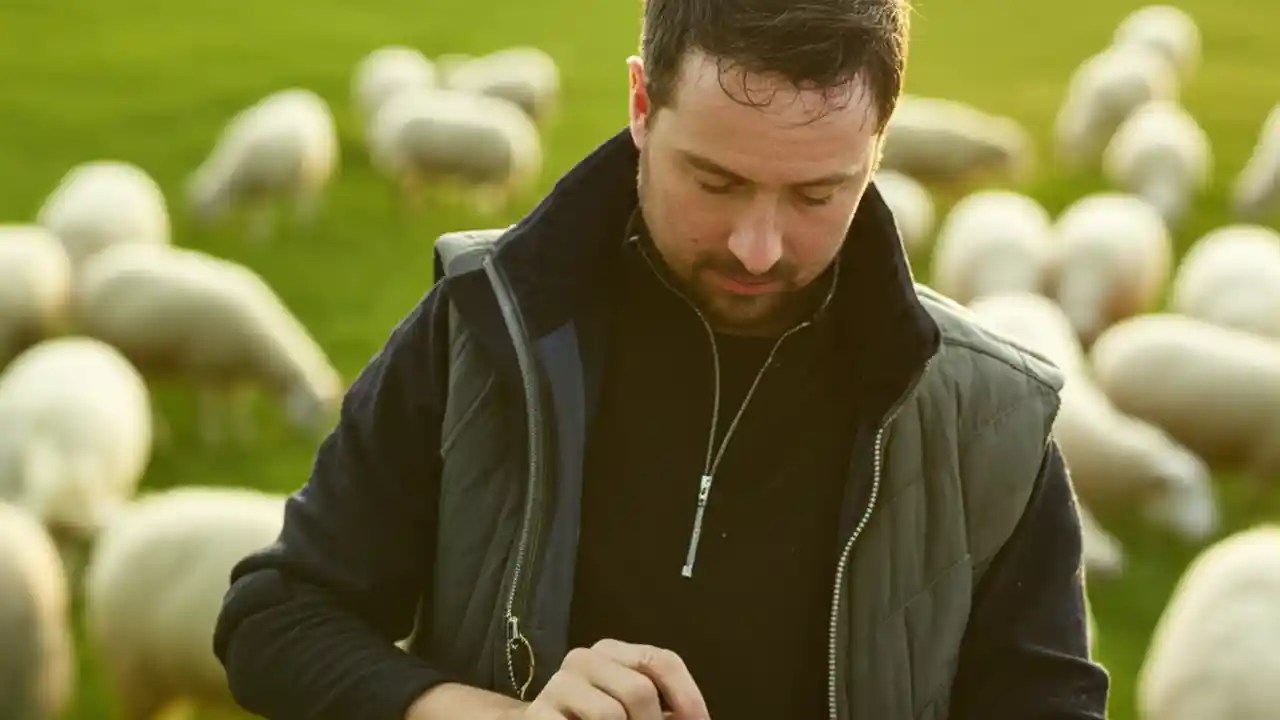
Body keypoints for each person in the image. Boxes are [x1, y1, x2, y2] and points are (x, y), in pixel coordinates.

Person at [213, 0, 1112, 717]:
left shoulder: (987, 416)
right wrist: (493, 716)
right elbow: (277, 619)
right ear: (642, 105)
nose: (760, 247)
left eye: (817, 193)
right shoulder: (482, 328)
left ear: (880, 141)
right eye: (716, 182)